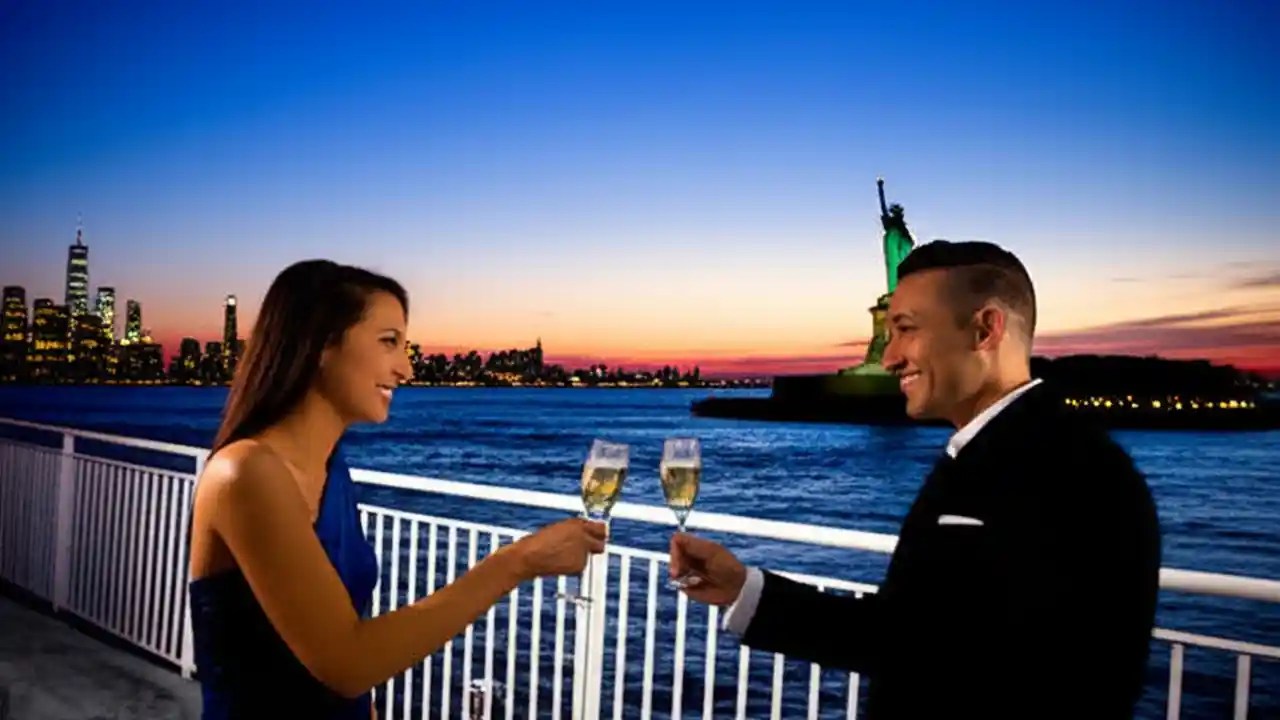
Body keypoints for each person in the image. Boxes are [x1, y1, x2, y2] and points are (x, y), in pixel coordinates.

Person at [670, 241, 1161, 719]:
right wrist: (743, 589)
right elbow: (919, 632)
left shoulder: (1073, 473)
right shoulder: (993, 453)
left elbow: (1037, 674)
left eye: (905, 329)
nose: (889, 357)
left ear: (984, 330)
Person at [187, 259, 607, 719]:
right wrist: (517, 561)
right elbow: (345, 661)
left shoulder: (332, 471)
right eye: (389, 342)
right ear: (320, 345)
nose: (406, 368)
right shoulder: (245, 473)